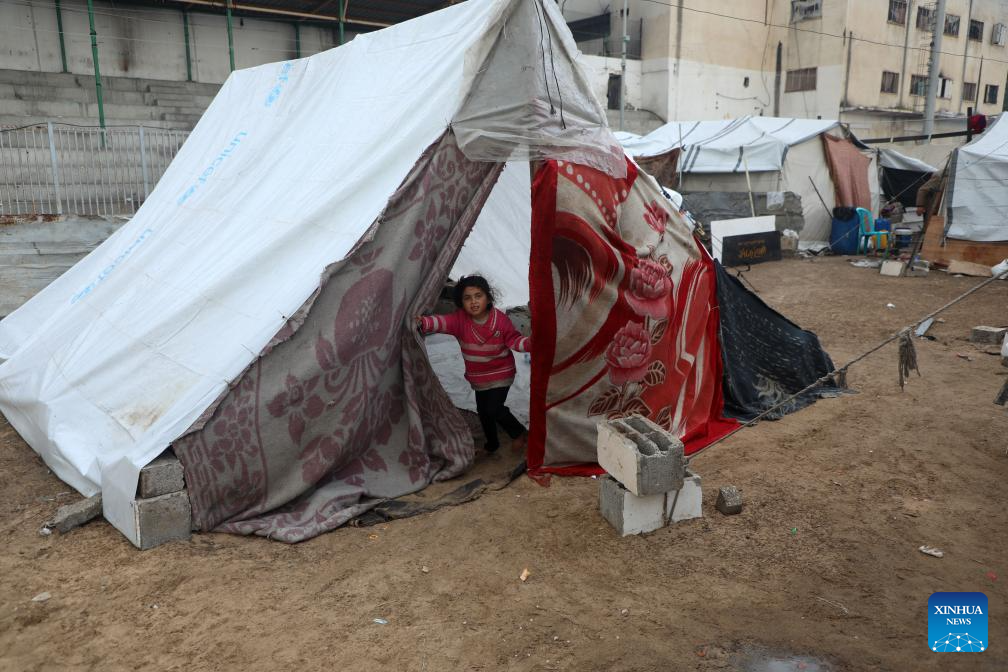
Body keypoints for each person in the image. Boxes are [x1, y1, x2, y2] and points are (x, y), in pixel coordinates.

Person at [416, 276, 529, 453]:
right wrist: (423, 322)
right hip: (479, 378)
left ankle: (519, 433)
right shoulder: (459, 320)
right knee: (483, 412)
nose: (473, 302)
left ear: (488, 297)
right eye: (467, 298)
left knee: (493, 408)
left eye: (478, 296)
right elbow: (441, 323)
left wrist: (530, 343)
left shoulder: (500, 320)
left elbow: (514, 340)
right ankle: (492, 444)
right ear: (461, 302)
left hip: (501, 373)